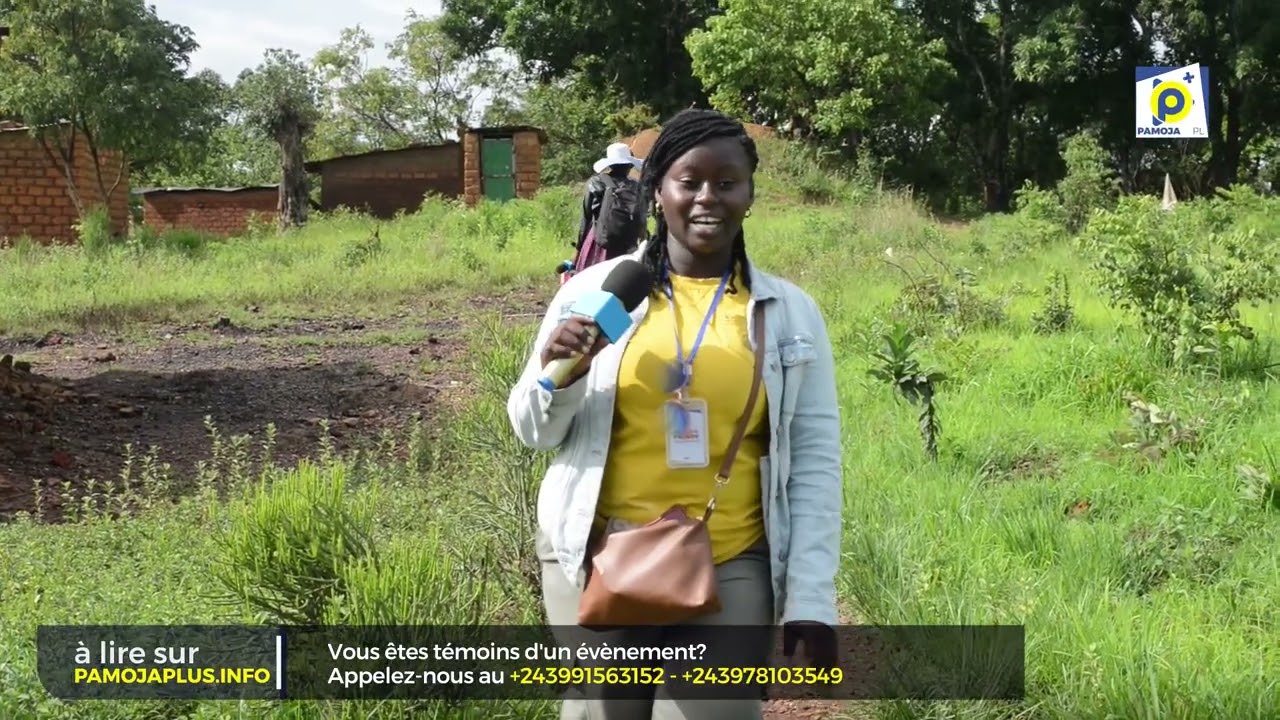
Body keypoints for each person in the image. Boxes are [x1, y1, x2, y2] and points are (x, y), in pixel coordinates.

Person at [507, 108, 843, 720]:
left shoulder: (787, 313)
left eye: (727, 182)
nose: (707, 198)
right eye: (689, 182)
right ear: (658, 191)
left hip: (731, 561)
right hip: (600, 551)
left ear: (750, 193)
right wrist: (564, 374)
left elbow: (815, 460)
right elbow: (533, 429)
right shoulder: (599, 292)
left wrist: (812, 599)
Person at [567, 142, 646, 278]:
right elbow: (643, 218)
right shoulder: (636, 187)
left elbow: (586, 218)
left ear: (609, 165)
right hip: (628, 243)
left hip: (600, 240)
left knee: (593, 278)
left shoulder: (596, 182)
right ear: (629, 165)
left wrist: (579, 249)